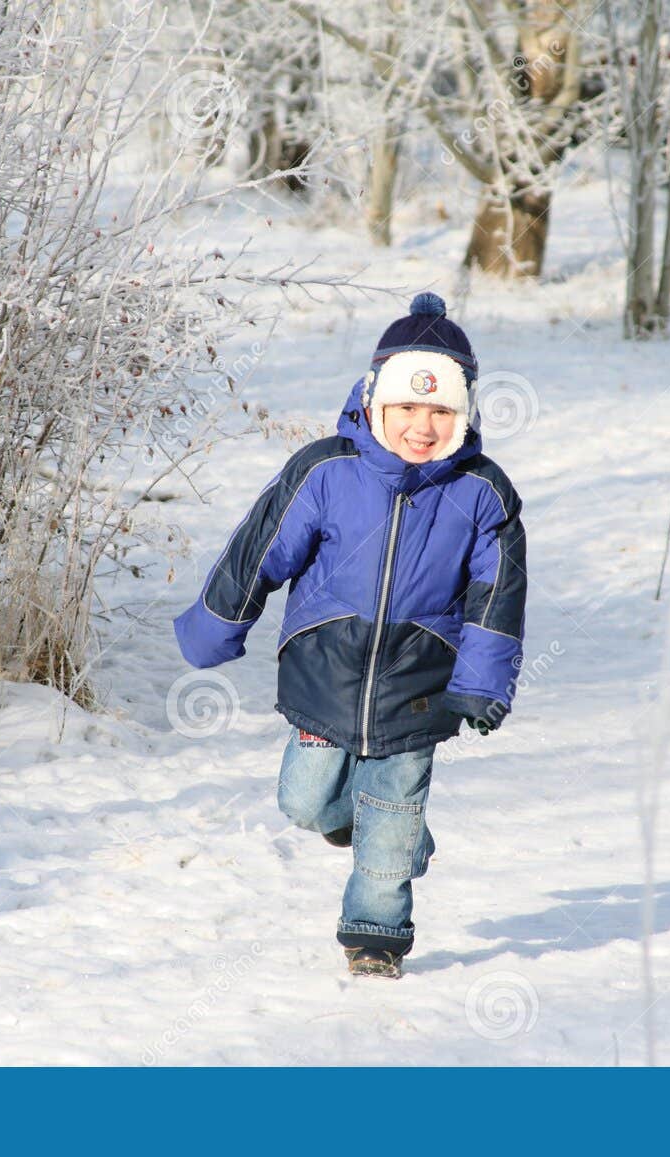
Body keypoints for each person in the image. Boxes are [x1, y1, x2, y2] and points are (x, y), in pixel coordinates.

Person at [173, 292, 527, 979]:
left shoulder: (483, 493)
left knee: (391, 828)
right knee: (304, 801)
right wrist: (217, 625)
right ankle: (365, 822)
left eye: (440, 411)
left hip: (419, 692)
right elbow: (261, 549)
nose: (421, 427)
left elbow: (498, 596)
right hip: (322, 680)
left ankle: (375, 935)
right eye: (406, 408)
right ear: (374, 402)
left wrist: (481, 684)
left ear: (464, 414)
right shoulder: (326, 470)